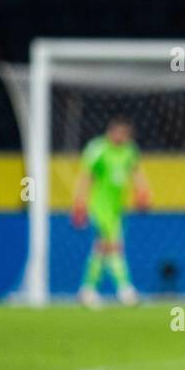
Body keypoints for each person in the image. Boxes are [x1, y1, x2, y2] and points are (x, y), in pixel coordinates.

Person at [71, 116, 151, 307]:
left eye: (127, 134)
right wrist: (79, 204)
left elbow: (136, 172)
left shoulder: (129, 150)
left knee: (101, 250)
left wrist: (143, 191)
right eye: (120, 133)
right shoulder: (97, 149)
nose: (123, 137)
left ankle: (87, 290)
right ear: (111, 131)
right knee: (114, 246)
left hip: (117, 208)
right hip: (100, 206)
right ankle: (126, 290)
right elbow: (86, 177)